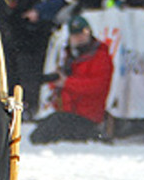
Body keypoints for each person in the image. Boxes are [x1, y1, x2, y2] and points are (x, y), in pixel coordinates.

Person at [31, 16, 113, 145]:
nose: (80, 38)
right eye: (76, 35)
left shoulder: (100, 56)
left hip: (87, 117)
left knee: (45, 133)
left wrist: (66, 82)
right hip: (68, 112)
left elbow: (97, 86)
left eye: (83, 33)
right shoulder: (72, 57)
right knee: (39, 131)